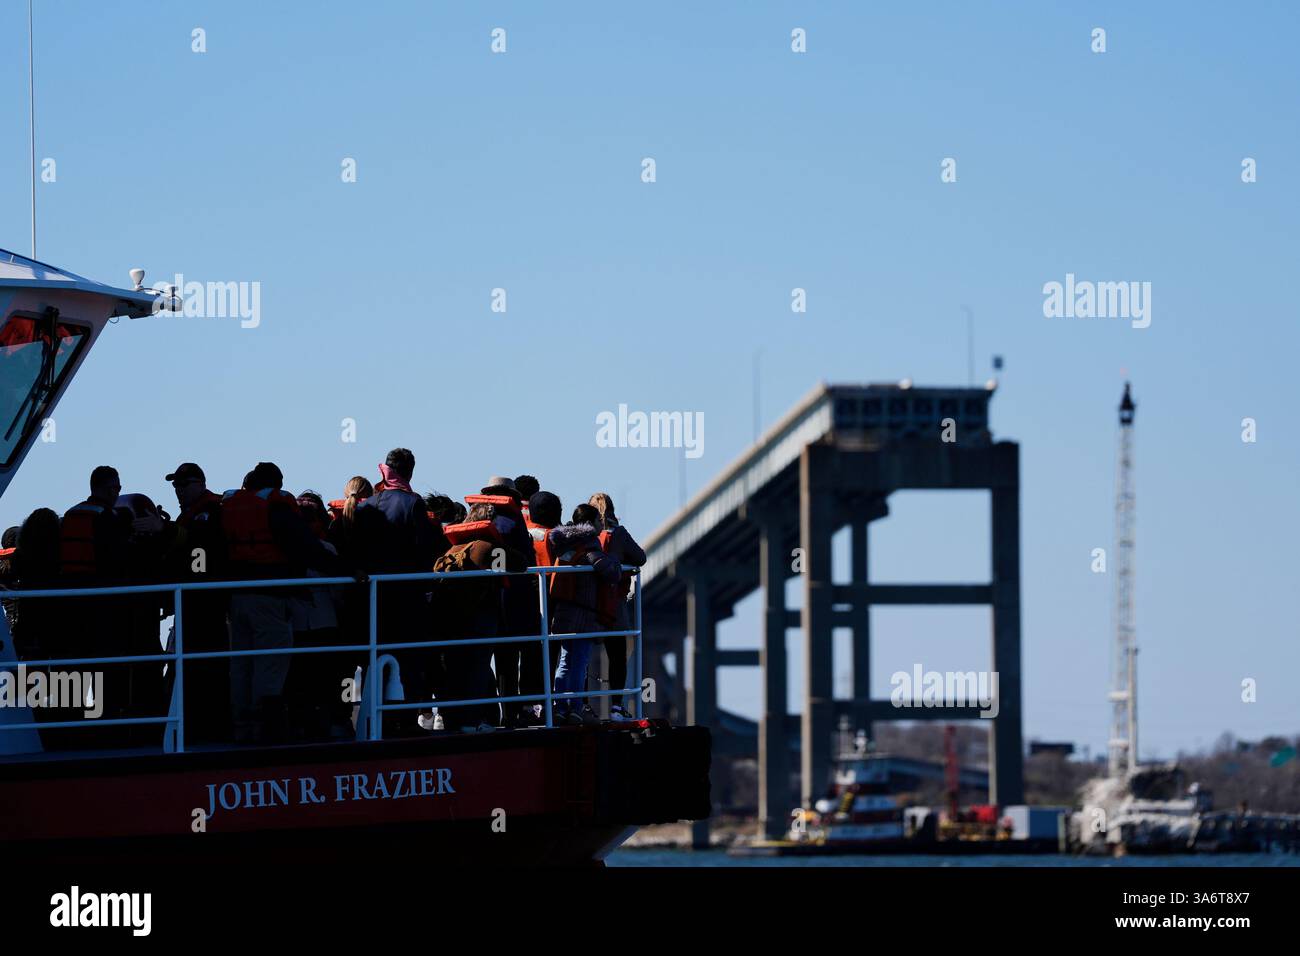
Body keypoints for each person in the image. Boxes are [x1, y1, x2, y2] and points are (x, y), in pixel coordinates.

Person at [223, 462, 342, 744]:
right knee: (270, 665)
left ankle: (242, 728)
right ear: (276, 484)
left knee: (241, 666)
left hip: (236, 599)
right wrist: (348, 569)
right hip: (270, 599)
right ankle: (266, 731)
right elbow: (307, 548)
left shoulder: (229, 509)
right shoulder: (276, 508)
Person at [357, 449, 449, 733]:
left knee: (376, 658)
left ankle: (376, 721)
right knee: (409, 661)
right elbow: (423, 549)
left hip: (373, 598)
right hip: (407, 597)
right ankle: (406, 721)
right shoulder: (412, 503)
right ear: (410, 470)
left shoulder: (365, 506)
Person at [157, 462, 230, 744]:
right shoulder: (187, 516)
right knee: (191, 667)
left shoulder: (211, 511)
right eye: (175, 485)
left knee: (207, 667)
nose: (178, 490)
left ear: (200, 483)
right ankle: (195, 727)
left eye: (184, 484)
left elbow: (202, 546)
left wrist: (165, 529)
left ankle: (210, 730)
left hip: (209, 605)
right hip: (188, 605)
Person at [545, 504, 621, 725]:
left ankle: (559, 707)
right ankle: (576, 708)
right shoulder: (589, 548)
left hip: (563, 613)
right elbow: (611, 572)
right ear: (590, 524)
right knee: (580, 663)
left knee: (564, 662)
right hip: (584, 616)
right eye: (598, 520)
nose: (601, 523)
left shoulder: (564, 545)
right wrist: (615, 559)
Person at [588, 493, 647, 721]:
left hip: (588, 605)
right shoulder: (618, 534)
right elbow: (640, 557)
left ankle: (579, 704)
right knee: (617, 656)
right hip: (614, 604)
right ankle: (615, 707)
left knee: (580, 656)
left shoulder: (583, 535)